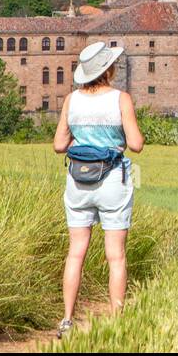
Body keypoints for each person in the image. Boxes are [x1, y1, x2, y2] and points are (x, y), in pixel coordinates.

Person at [52, 41, 144, 338]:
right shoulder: (121, 99)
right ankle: (117, 322)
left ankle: (66, 320)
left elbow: (58, 145)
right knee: (115, 255)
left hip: (78, 182)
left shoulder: (71, 100)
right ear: (109, 69)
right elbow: (136, 144)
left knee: (75, 253)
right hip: (111, 180)